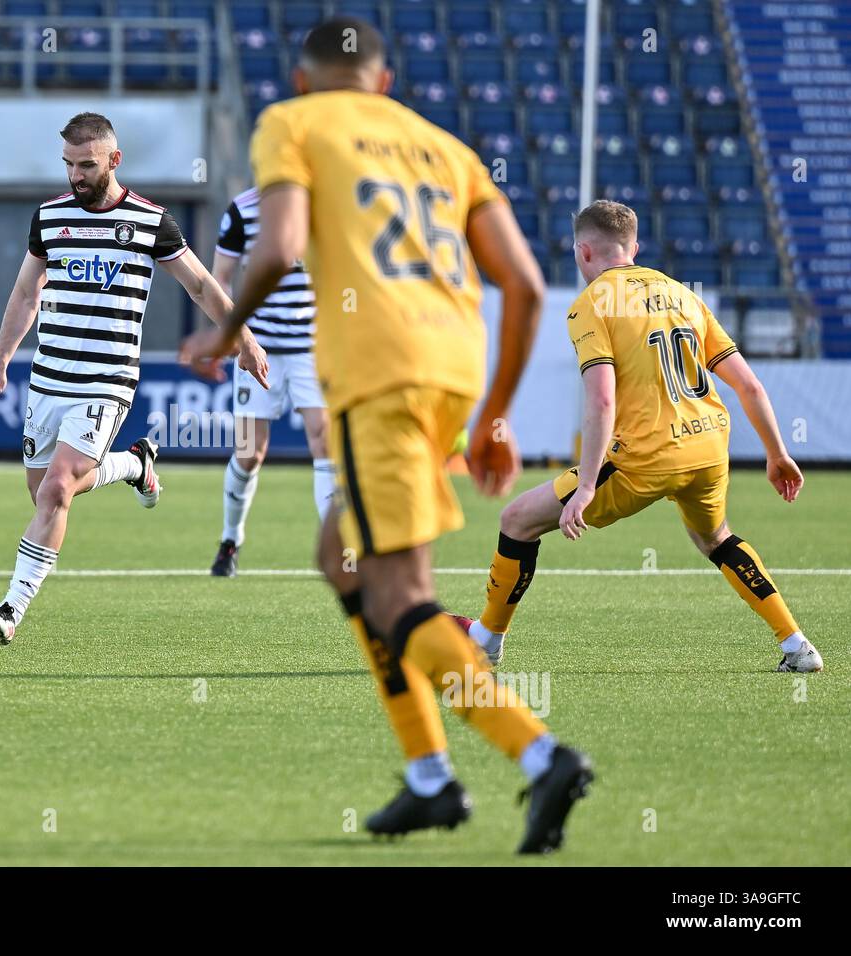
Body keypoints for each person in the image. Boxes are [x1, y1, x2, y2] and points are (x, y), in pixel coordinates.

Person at [179, 19, 591, 853]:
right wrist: (495, 415)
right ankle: (428, 777)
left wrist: (223, 337)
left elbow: (281, 243)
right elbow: (522, 282)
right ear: (385, 79)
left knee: (399, 594)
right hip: (452, 371)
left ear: (303, 80)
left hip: (379, 374)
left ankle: (541, 754)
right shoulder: (444, 146)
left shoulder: (293, 125)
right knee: (341, 558)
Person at [462, 200, 824, 674]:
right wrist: (777, 453)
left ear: (582, 252)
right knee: (717, 538)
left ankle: (486, 641)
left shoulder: (590, 304)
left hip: (646, 457)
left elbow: (601, 400)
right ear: (634, 248)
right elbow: (749, 385)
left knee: (517, 520)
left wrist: (587, 485)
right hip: (710, 446)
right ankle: (797, 646)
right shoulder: (684, 295)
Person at [0, 111, 270, 646]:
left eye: (86, 165)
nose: (75, 176)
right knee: (43, 490)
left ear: (114, 160)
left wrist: (243, 339)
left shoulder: (151, 222)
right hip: (48, 379)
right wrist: (0, 363)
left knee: (59, 489)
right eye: (68, 165)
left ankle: (11, 608)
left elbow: (202, 286)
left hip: (107, 380)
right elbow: (25, 294)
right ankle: (135, 464)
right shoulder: (49, 218)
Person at [208, 187, 334, 576]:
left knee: (324, 442)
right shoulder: (242, 211)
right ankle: (230, 540)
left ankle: (336, 546)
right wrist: (233, 334)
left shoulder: (324, 204)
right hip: (258, 346)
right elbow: (221, 278)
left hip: (311, 348)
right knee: (250, 452)